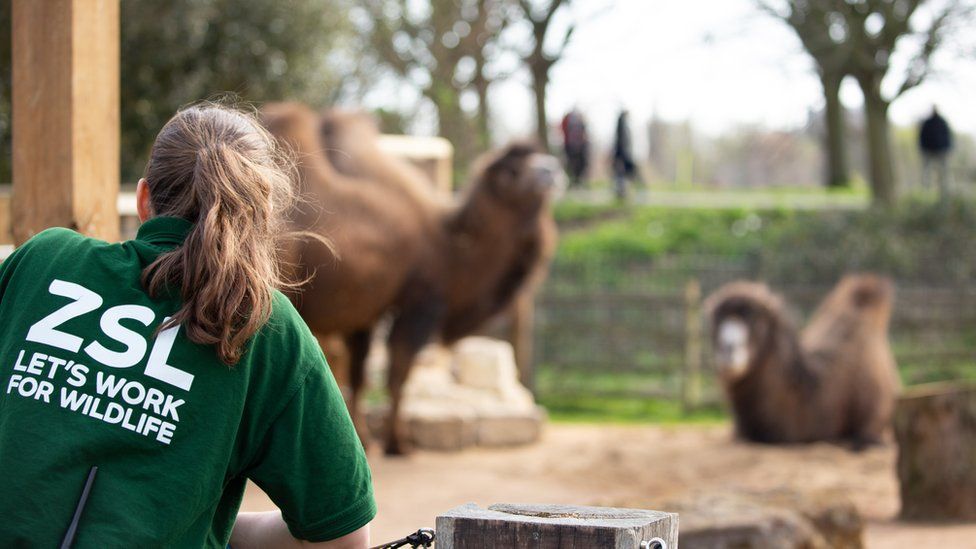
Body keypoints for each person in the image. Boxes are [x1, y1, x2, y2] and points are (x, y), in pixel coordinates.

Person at [0, 104, 374, 548]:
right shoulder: (265, 326)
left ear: (143, 200)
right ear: (265, 214)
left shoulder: (44, 260)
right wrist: (182, 521)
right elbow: (344, 537)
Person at [918, 106, 953, 202]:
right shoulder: (928, 123)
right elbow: (922, 137)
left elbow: (948, 136)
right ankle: (926, 193)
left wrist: (947, 148)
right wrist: (924, 149)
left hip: (941, 151)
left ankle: (944, 193)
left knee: (943, 174)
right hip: (929, 151)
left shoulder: (942, 122)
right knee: (927, 173)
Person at [612, 109, 641, 200]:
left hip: (625, 154)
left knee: (626, 174)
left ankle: (625, 192)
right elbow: (622, 142)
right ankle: (622, 193)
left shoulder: (626, 126)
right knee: (624, 174)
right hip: (624, 154)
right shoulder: (622, 126)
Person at [561, 107, 590, 188]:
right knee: (572, 164)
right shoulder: (568, 120)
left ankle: (579, 181)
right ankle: (572, 181)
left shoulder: (581, 121)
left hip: (579, 146)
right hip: (571, 145)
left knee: (581, 164)